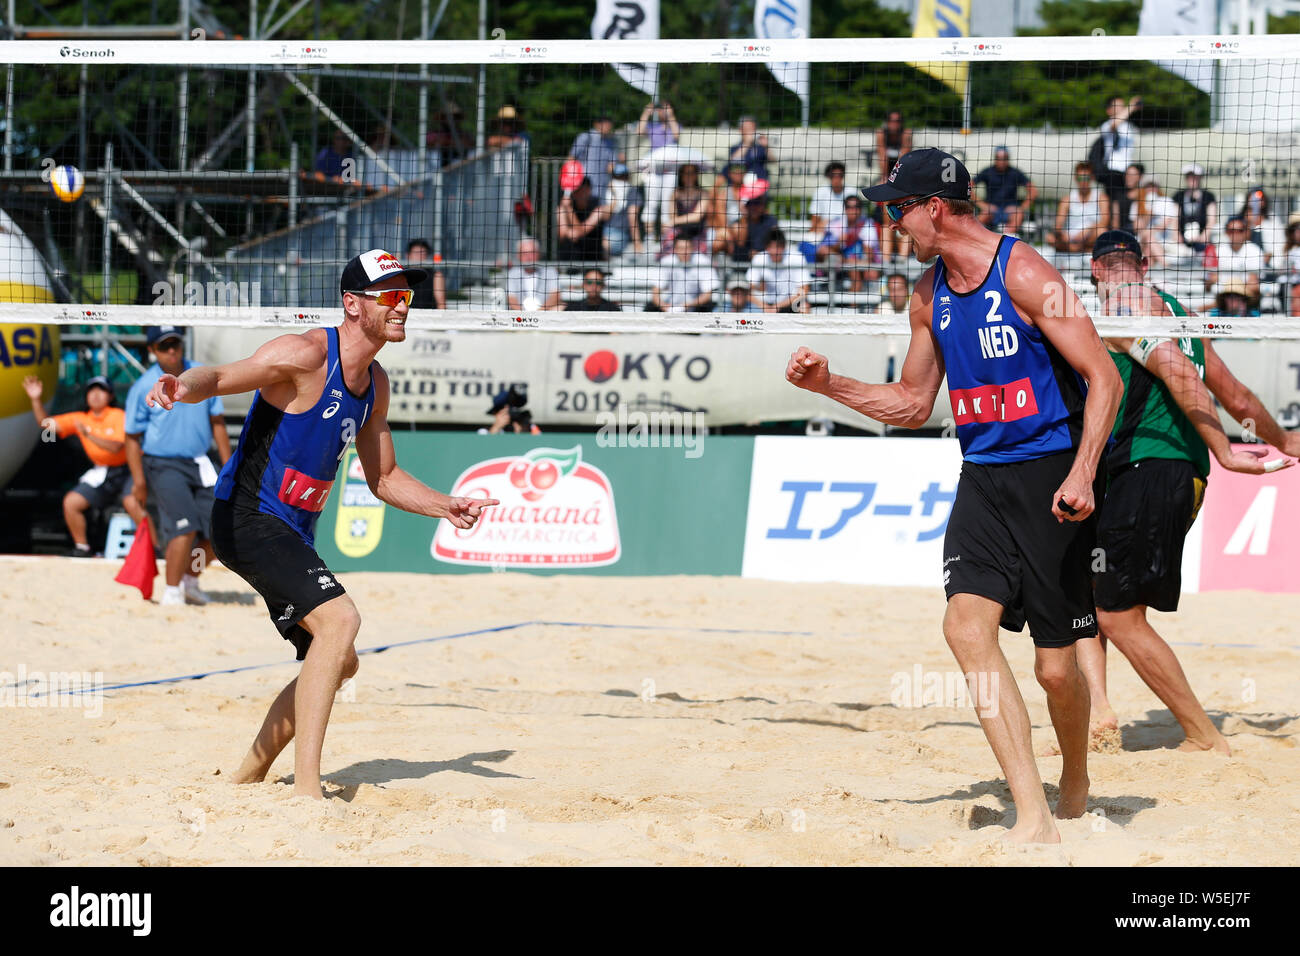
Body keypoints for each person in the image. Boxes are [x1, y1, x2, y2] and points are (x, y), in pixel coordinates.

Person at [788, 148, 1124, 843]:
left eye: (897, 208)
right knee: (963, 628)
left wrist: (1084, 471)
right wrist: (831, 386)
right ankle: (1032, 813)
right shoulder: (925, 294)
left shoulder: (1027, 272)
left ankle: (1075, 777)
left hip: (1051, 477)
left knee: (1057, 671)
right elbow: (913, 404)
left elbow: (1104, 378)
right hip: (982, 479)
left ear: (933, 209)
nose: (890, 221)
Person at [145, 249, 497, 800]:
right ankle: (307, 791)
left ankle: (247, 776)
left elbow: (384, 477)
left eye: (408, 295)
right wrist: (181, 386)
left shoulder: (376, 384)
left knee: (339, 661)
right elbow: (221, 375)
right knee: (340, 623)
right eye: (392, 296)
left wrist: (444, 506)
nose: (404, 306)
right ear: (353, 304)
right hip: (247, 515)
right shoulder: (304, 354)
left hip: (291, 529)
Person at [1080, 229, 1299, 755]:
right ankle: (1099, 716)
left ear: (1094, 270)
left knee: (1116, 614)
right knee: (1098, 591)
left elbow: (1178, 373)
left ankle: (1203, 736)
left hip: (1150, 466)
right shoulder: (1178, 311)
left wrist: (1223, 447)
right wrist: (1284, 438)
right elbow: (1234, 392)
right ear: (1144, 261)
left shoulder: (1121, 308)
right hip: (1180, 476)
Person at [125, 326, 231, 606]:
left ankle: (189, 581)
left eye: (175, 344)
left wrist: (229, 465)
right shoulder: (142, 387)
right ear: (152, 351)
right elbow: (131, 438)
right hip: (163, 464)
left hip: (200, 462)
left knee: (222, 531)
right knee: (184, 528)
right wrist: (138, 481)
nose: (172, 350)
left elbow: (217, 422)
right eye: (164, 346)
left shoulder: (200, 375)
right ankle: (172, 592)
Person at [22, 374, 147, 556]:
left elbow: (116, 447)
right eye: (92, 390)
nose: (96, 394)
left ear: (111, 396)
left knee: (132, 503)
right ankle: (82, 548)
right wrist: (35, 399)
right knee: (72, 502)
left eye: (101, 390)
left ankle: (152, 548)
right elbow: (46, 424)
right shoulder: (81, 418)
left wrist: (88, 435)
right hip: (102, 471)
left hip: (128, 469)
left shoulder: (118, 416)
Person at [815, 197, 880, 291]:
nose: (852, 210)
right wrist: (839, 243)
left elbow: (868, 258)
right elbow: (822, 250)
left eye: (856, 206)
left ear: (861, 209)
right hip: (837, 260)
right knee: (824, 252)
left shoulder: (867, 225)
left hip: (855, 264)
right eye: (849, 207)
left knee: (859, 271)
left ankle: (852, 305)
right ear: (845, 209)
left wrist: (845, 260)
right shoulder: (837, 223)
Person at [636, 100, 680, 242]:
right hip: (653, 167)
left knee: (667, 203)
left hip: (670, 168)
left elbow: (677, 135)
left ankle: (664, 238)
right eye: (661, 109)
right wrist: (646, 112)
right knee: (651, 202)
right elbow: (639, 131)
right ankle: (649, 237)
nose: (663, 111)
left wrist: (671, 115)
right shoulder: (652, 126)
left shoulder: (675, 125)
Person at [1096, 95, 1140, 229]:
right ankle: (1115, 232)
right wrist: (1131, 107)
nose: (1122, 109)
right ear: (1109, 110)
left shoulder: (1129, 127)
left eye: (1123, 106)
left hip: (1128, 172)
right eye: (1118, 106)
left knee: (1128, 204)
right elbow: (1115, 124)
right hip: (1113, 171)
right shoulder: (1107, 125)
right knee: (1115, 204)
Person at [973, 147, 1037, 237]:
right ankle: (975, 238)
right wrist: (982, 205)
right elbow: (969, 187)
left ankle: (1005, 240)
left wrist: (1022, 208)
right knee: (979, 219)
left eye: (1005, 158)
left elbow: (1033, 191)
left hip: (1010, 210)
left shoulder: (1015, 173)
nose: (1002, 161)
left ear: (1008, 159)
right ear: (995, 159)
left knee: (1018, 214)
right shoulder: (987, 172)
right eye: (999, 158)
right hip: (991, 209)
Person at [1047, 161, 1108, 255]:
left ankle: (1075, 249)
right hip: (1071, 237)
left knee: (1102, 232)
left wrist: (1087, 230)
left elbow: (1105, 221)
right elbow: (1058, 224)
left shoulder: (1101, 197)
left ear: (1092, 178)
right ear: (1076, 178)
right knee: (1050, 238)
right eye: (1080, 178)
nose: (1083, 182)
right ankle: (1081, 249)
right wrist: (1061, 234)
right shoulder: (1067, 199)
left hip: (1090, 235)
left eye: (1086, 178)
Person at [875, 111, 912, 260]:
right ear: (887, 122)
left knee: (906, 221)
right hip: (887, 178)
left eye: (897, 121)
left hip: (903, 178)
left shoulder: (906, 134)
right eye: (891, 120)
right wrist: (886, 181)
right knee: (887, 221)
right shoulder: (881, 134)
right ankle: (886, 260)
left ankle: (903, 261)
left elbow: (902, 162)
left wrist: (896, 182)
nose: (894, 123)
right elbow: (882, 161)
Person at [647, 235, 717, 312]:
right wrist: (664, 306)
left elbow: (707, 295)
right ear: (675, 249)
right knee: (649, 308)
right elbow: (655, 293)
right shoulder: (666, 262)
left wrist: (689, 304)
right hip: (670, 306)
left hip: (697, 307)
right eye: (680, 248)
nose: (684, 252)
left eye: (687, 248)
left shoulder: (703, 262)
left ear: (693, 248)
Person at [1205, 215, 1264, 307]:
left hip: (1245, 299)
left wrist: (1235, 293)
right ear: (1226, 233)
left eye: (1239, 230)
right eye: (1231, 231)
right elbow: (1210, 282)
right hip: (1223, 296)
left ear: (1246, 232)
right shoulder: (1218, 251)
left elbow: (1253, 283)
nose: (1235, 234)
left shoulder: (1255, 251)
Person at [748, 229, 811, 313]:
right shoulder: (759, 258)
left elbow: (804, 290)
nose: (774, 251)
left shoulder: (797, 258)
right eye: (771, 247)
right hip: (766, 303)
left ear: (784, 246)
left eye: (778, 247)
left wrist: (778, 306)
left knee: (804, 306)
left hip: (790, 303)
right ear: (766, 247)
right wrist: (764, 306)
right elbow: (747, 289)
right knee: (739, 297)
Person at [661, 162, 709, 257]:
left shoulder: (703, 193)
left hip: (697, 231)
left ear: (696, 175)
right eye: (685, 173)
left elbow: (697, 216)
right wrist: (672, 222)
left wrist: (673, 221)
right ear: (681, 175)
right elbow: (672, 216)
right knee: (668, 234)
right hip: (680, 231)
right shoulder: (675, 194)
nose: (688, 176)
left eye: (691, 173)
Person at [569, 115, 622, 201]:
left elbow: (612, 164)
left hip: (602, 183)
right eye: (606, 124)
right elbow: (571, 157)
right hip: (584, 182)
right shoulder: (586, 137)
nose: (608, 127)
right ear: (597, 124)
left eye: (609, 124)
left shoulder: (611, 141)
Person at [556, 176, 608, 263]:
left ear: (588, 190)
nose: (577, 192)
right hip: (569, 258)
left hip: (592, 259)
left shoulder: (598, 209)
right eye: (575, 189)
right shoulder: (562, 207)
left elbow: (580, 231)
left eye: (580, 189)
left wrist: (569, 209)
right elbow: (562, 234)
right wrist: (565, 208)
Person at [505, 237, 562, 311]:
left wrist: (539, 312)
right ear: (518, 255)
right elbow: (511, 299)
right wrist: (523, 315)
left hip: (546, 313)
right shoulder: (513, 273)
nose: (529, 257)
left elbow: (555, 296)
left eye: (532, 253)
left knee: (560, 307)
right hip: (520, 315)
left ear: (538, 254)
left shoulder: (550, 271)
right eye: (524, 253)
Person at [1172, 163, 1216, 255]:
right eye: (1189, 176)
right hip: (1182, 241)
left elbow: (1212, 219)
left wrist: (1204, 235)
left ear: (1200, 178)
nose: (1192, 179)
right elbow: (1175, 217)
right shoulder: (1178, 196)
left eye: (1195, 176)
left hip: (1202, 241)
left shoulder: (1208, 196)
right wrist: (1176, 234)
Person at [603, 163, 644, 258]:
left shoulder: (632, 191)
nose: (620, 180)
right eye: (617, 177)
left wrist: (637, 243)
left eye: (622, 176)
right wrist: (615, 198)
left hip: (619, 235)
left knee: (603, 246)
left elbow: (632, 216)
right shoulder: (608, 190)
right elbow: (605, 216)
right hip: (606, 232)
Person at [1135, 175, 1178, 267]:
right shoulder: (1138, 203)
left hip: (1161, 240)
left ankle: (1149, 277)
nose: (1151, 189)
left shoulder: (1166, 201)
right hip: (1142, 240)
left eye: (1153, 186)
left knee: (1148, 250)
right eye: (1148, 186)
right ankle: (1166, 265)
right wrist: (1148, 214)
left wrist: (1151, 231)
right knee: (1148, 238)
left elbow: (1165, 224)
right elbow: (1137, 228)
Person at [1238, 186, 1285, 268]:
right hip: (1245, 263)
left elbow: (1280, 243)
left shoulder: (1273, 220)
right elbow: (1239, 240)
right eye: (1254, 197)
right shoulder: (1240, 219)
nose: (1257, 200)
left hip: (1269, 265)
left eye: (1260, 197)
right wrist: (1248, 223)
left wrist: (1270, 256)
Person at [728, 190, 778, 264]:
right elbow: (740, 244)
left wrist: (759, 255)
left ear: (763, 205)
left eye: (757, 203)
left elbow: (774, 244)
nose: (754, 207)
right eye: (750, 203)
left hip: (764, 263)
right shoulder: (738, 223)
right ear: (746, 206)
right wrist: (744, 216)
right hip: (742, 266)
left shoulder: (771, 221)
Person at [809, 162, 855, 238]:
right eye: (833, 175)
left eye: (839, 175)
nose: (836, 179)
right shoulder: (820, 192)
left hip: (846, 230)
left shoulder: (852, 191)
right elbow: (815, 219)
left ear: (843, 176)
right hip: (825, 231)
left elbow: (855, 216)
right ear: (828, 176)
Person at [710, 162, 747, 255]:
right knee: (719, 241)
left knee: (738, 228)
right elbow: (721, 218)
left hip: (748, 227)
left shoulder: (751, 190)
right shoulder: (724, 193)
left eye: (741, 170)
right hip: (731, 230)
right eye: (735, 170)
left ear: (745, 173)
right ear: (730, 174)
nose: (738, 172)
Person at [404, 239, 446, 309]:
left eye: (423, 254)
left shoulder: (436, 275)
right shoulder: (401, 274)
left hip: (428, 316)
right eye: (417, 253)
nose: (420, 257)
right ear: (408, 255)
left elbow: (441, 303)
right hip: (405, 314)